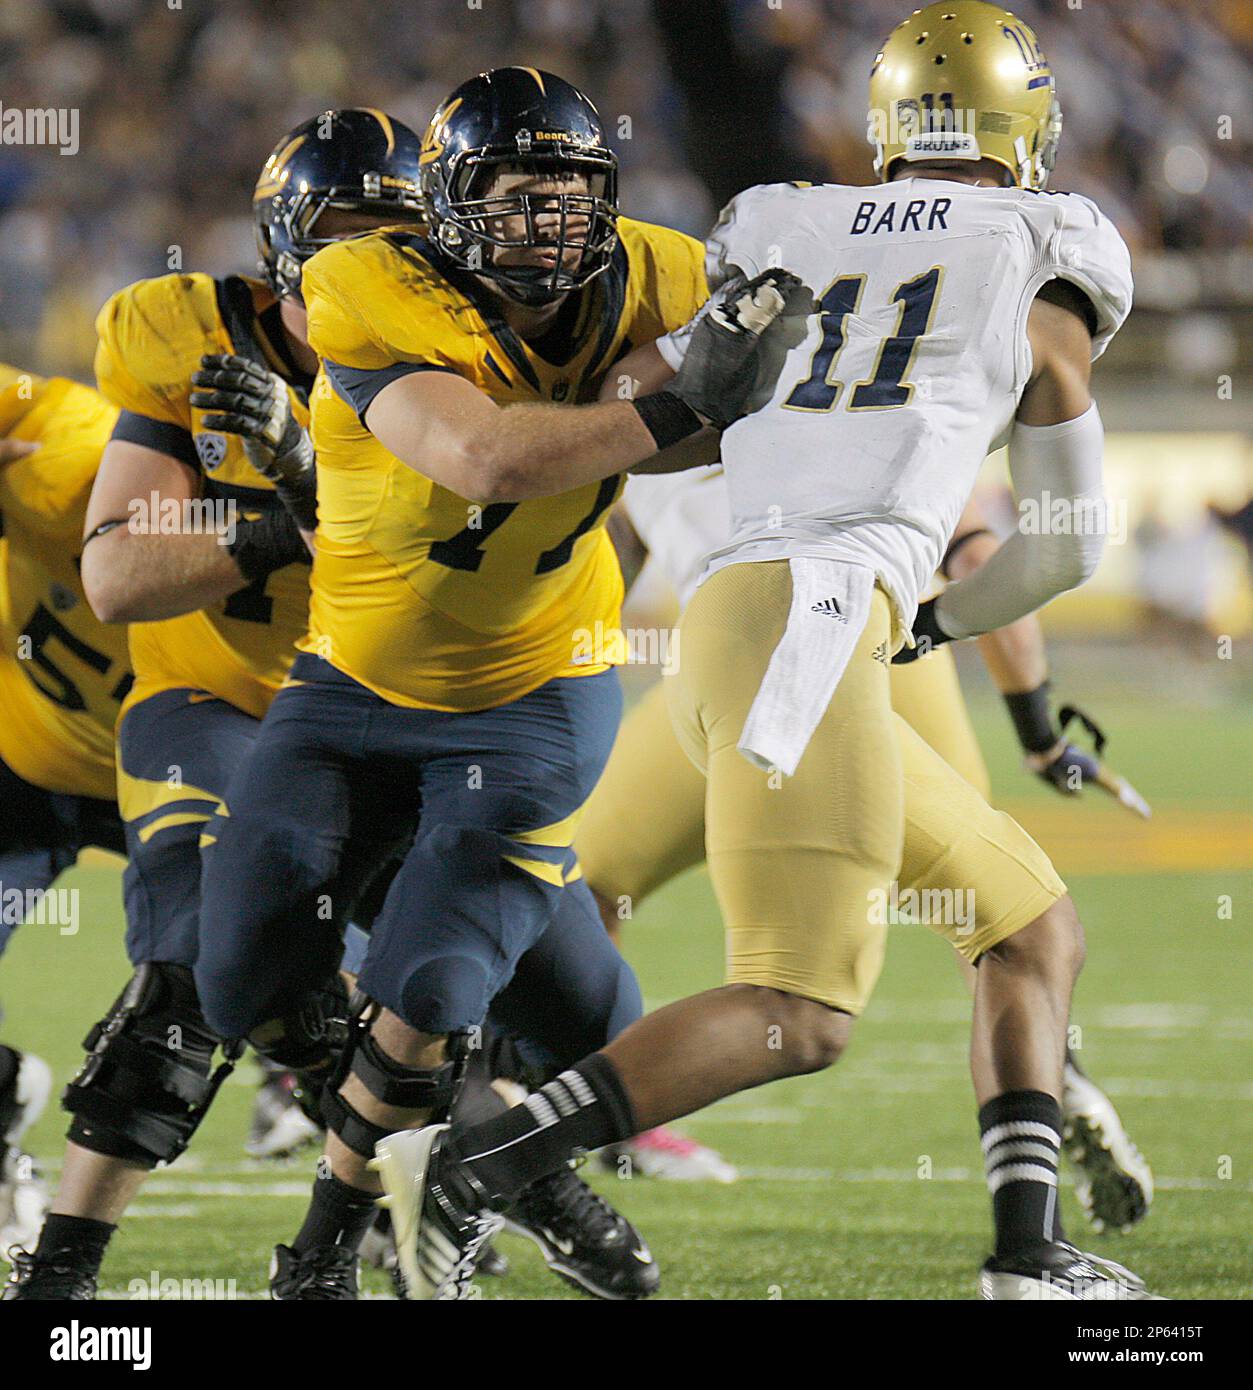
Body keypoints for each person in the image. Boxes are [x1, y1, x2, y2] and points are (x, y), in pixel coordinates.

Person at [379, 4, 1164, 1301]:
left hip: (751, 615)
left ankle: (1029, 1257)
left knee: (1029, 926)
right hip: (812, 623)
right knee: (797, 1010)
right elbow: (1067, 547)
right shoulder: (1047, 241)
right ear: (1025, 125)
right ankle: (473, 1164)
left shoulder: (776, 222)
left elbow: (652, 410)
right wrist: (942, 621)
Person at [193, 66, 804, 1301]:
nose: (547, 223)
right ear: (446, 205)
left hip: (536, 692)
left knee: (426, 984)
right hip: (352, 693)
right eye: (517, 195)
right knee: (241, 977)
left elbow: (805, 320)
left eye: (569, 195)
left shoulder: (656, 269)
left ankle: (316, 1257)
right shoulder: (367, 282)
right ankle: (529, 1164)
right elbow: (478, 455)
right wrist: (685, 398)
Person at [3, 109, 431, 1301]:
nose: (363, 265)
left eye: (390, 237)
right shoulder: (177, 343)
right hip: (211, 704)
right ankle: (63, 1293)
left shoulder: (464, 358)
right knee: (190, 975)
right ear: (286, 244)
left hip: (394, 721)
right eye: (341, 235)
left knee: (466, 987)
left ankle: (443, 1187)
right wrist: (282, 518)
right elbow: (121, 573)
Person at [585, 474, 1153, 1229]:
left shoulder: (643, 397)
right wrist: (1038, 732)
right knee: (994, 924)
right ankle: (1053, 1120)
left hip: (737, 664)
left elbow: (593, 584)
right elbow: (980, 556)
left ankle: (557, 1133)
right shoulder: (841, 384)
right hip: (856, 648)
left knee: (577, 879)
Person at [0, 367, 131, 1257]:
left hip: (177, 775)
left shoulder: (303, 508)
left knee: (312, 985)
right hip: (22, 763)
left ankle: (384, 1197)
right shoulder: (58, 440)